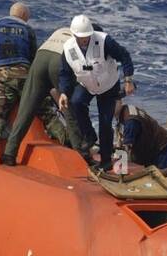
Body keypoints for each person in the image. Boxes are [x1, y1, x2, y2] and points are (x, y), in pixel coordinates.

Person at [0, 3, 77, 163]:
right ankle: (69, 144)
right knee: (47, 114)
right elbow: (36, 58)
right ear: (25, 17)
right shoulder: (28, 31)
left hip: (3, 78)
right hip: (28, 79)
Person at [56, 14, 136, 172]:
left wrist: (128, 79)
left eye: (87, 36)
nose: (84, 39)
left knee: (105, 122)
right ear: (74, 35)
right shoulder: (68, 49)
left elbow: (125, 56)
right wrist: (64, 93)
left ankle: (106, 160)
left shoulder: (105, 41)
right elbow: (64, 73)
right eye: (81, 37)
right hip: (87, 84)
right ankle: (90, 136)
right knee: (76, 102)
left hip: (108, 86)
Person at [0, 24, 86, 166]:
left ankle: (9, 153)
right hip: (61, 61)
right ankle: (81, 154)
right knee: (70, 110)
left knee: (25, 111)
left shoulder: (60, 30)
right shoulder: (85, 41)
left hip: (41, 58)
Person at [114, 100, 167, 169]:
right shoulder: (126, 109)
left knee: (162, 176)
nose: (110, 106)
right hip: (147, 148)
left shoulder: (131, 121)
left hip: (160, 149)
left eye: (113, 102)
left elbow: (125, 150)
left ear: (120, 102)